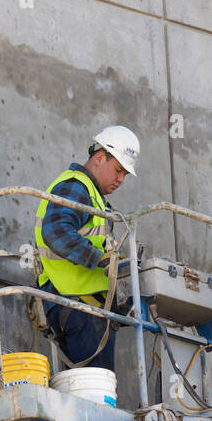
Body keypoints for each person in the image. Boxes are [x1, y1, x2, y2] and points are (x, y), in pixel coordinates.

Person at [33, 125, 140, 371]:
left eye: (125, 174)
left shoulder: (95, 200)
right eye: (118, 170)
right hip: (77, 307)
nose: (120, 180)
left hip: (85, 309)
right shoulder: (76, 187)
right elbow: (56, 231)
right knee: (96, 392)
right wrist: (100, 259)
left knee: (91, 391)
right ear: (100, 158)